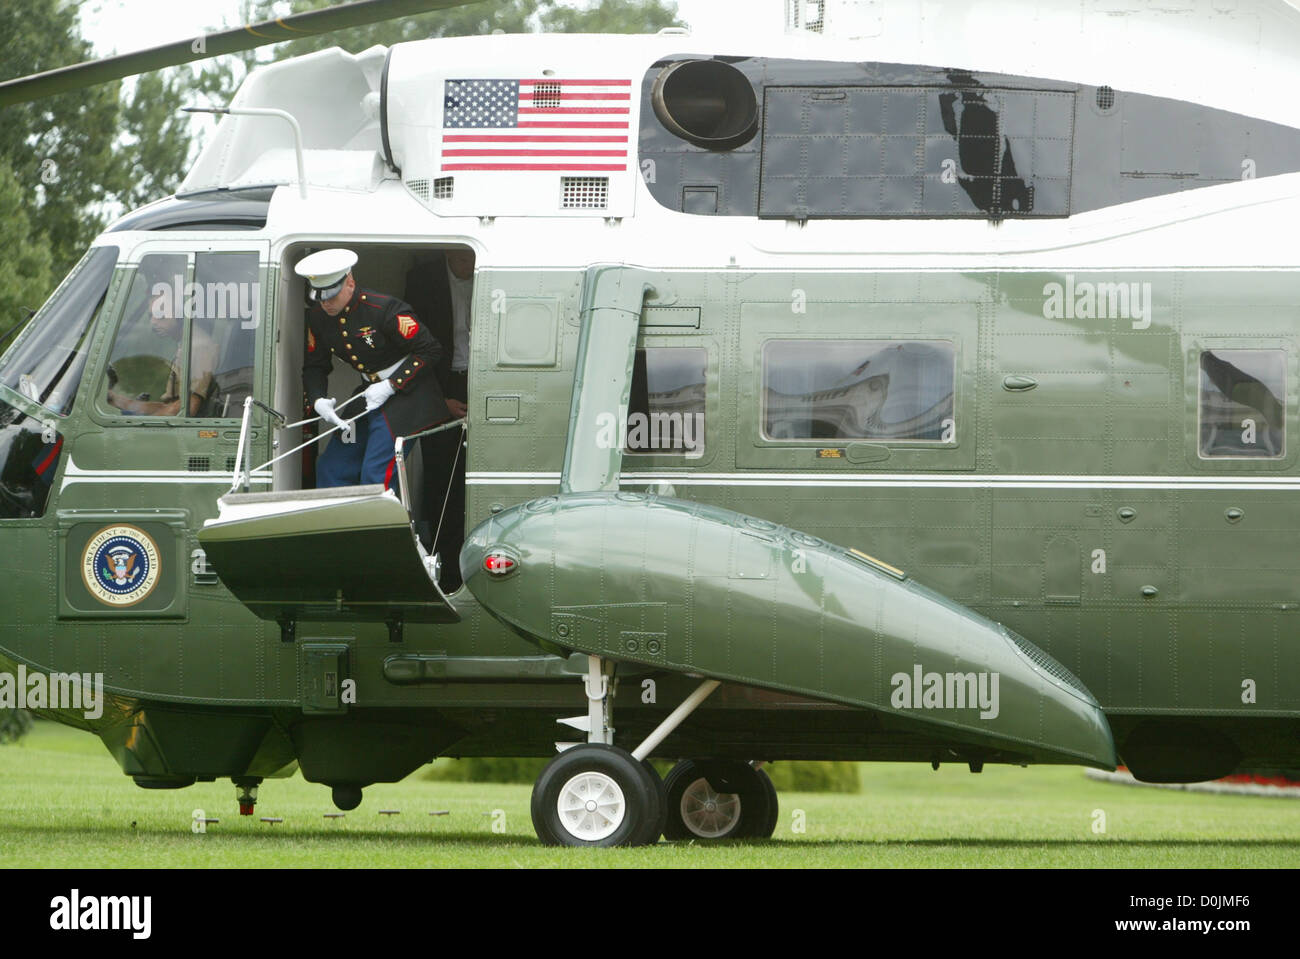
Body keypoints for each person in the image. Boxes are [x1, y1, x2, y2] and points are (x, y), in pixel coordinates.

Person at [297, 248, 450, 489]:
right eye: (320, 297)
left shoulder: (383, 309)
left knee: (376, 474)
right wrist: (317, 400)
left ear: (350, 282)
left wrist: (391, 385)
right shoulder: (318, 318)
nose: (325, 303)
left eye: (332, 296)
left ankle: (382, 527)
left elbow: (430, 349)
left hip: (407, 396)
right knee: (331, 468)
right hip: (368, 393)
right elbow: (315, 365)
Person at [106, 290, 218, 417]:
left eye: (160, 314)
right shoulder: (187, 345)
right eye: (150, 316)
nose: (153, 322)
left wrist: (141, 427)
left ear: (181, 314)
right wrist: (115, 399)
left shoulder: (199, 347)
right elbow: (169, 407)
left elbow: (188, 408)